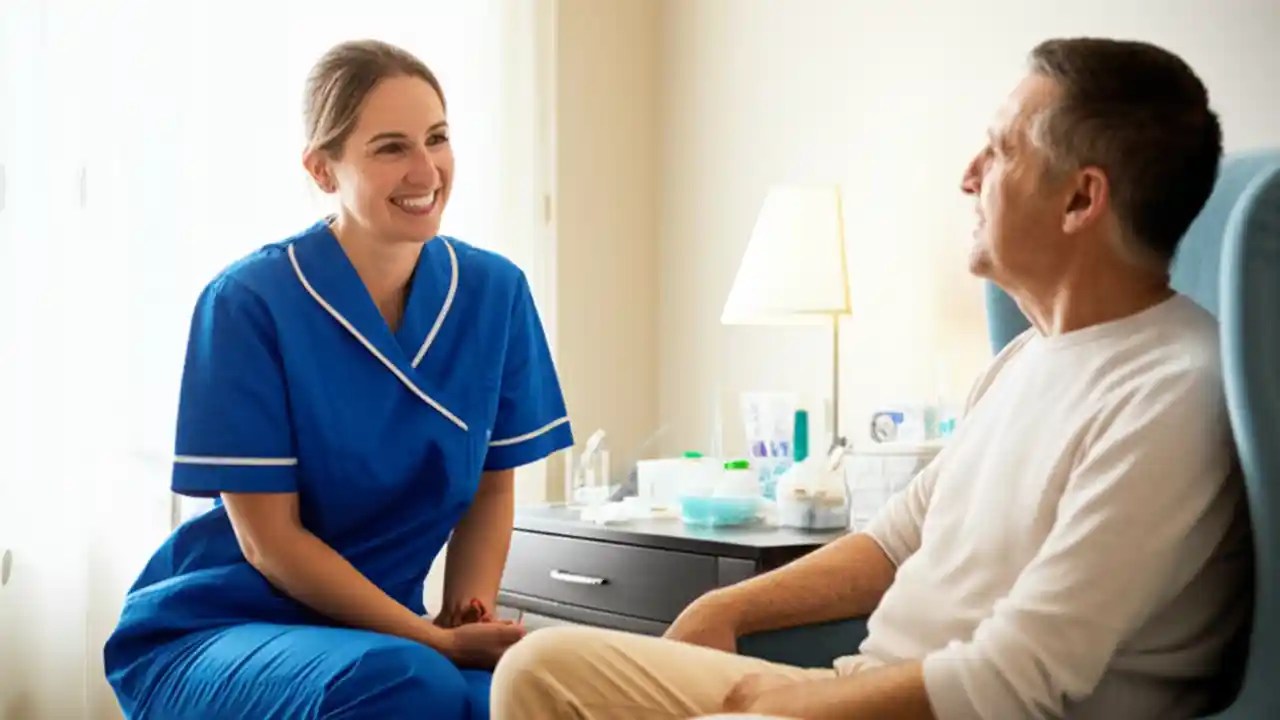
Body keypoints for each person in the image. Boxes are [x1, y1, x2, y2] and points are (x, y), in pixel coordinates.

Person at [491, 37, 1251, 720]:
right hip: (865, 684)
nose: (968, 177)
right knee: (538, 667)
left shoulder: (1171, 392)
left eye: (999, 152)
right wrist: (726, 606)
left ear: (1081, 198)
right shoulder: (1027, 359)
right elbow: (892, 543)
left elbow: (1015, 678)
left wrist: (786, 706)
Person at [103, 39, 573, 719]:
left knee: (514, 695)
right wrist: (432, 643)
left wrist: (463, 616)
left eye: (436, 138)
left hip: (375, 638)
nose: (426, 169)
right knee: (414, 685)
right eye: (390, 148)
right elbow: (270, 542)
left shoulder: (494, 292)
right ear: (323, 171)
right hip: (214, 626)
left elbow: (491, 486)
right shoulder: (249, 302)